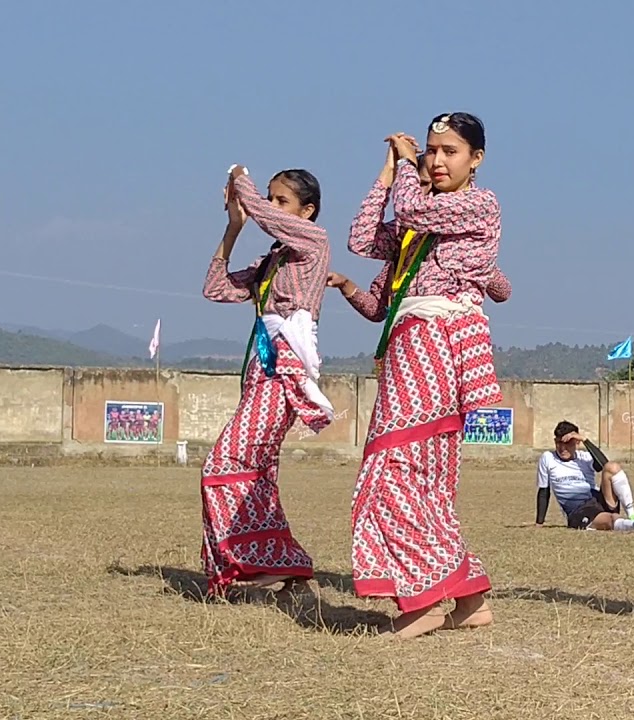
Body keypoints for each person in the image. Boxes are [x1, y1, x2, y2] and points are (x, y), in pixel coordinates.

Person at [347, 113, 503, 639]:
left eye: (449, 152)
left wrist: (409, 169)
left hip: (436, 339)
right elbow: (362, 237)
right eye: (431, 151)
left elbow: (414, 207)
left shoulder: (480, 203)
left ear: (475, 159)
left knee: (393, 467)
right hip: (409, 338)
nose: (436, 161)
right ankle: (467, 597)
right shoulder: (421, 215)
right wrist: (388, 170)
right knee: (418, 474)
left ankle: (425, 596)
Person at [199, 164, 335, 597]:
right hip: (261, 368)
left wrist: (242, 181)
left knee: (222, 465)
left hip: (285, 369)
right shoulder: (271, 260)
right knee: (258, 472)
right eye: (270, 199)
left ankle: (253, 566)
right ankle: (283, 566)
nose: (272, 209)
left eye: (283, 201)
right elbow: (216, 289)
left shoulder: (314, 241)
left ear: (307, 211)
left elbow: (262, 213)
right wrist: (232, 228)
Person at [332, 153, 512, 315]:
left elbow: (502, 291)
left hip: (449, 336)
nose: (421, 192)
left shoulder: (461, 236)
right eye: (415, 185)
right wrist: (388, 173)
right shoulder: (406, 238)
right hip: (406, 340)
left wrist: (473, 260)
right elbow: (360, 240)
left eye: (427, 184)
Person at [534, 421, 634, 531]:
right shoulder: (548, 458)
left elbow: (603, 465)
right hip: (579, 509)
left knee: (612, 467)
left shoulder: (584, 457)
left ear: (577, 443)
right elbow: (544, 491)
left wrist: (585, 440)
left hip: (598, 500)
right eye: (559, 443)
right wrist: (539, 523)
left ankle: (632, 515)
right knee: (612, 519)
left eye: (568, 443)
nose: (563, 448)